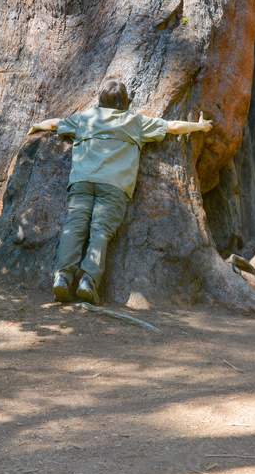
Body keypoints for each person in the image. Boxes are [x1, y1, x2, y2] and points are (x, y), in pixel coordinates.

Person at [28, 77, 212, 304]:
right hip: (114, 186)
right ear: (125, 101)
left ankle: (63, 278)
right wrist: (200, 126)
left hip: (82, 181)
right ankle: (88, 281)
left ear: (101, 99)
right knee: (100, 232)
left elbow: (55, 124)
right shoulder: (134, 122)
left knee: (74, 226)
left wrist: (37, 125)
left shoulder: (87, 118)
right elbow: (173, 126)